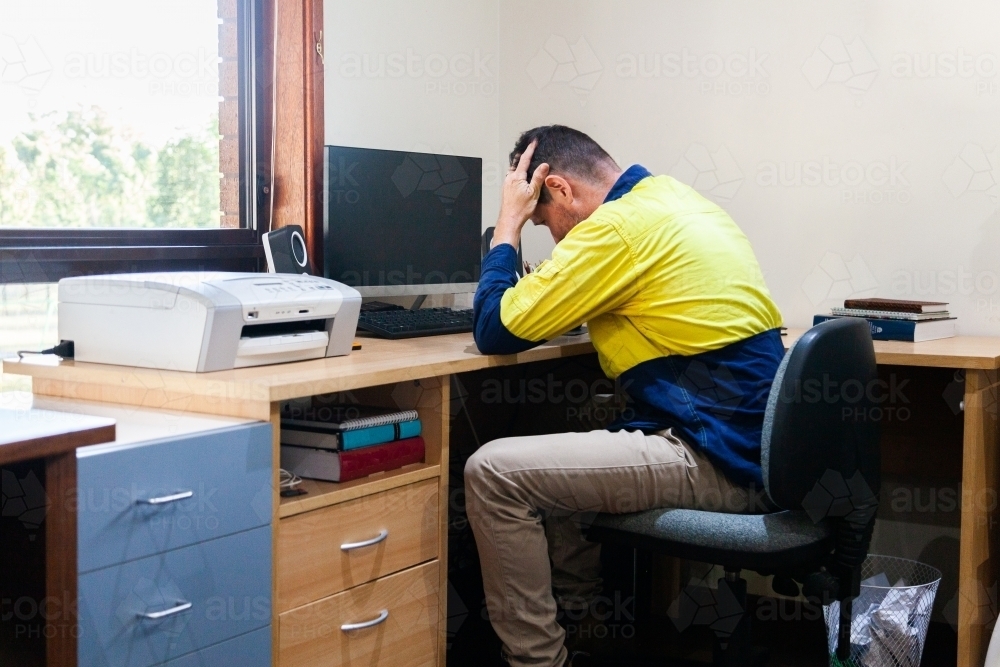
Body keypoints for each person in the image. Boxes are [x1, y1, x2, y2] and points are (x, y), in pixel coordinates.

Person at [466, 125, 785, 667]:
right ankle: (581, 625)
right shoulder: (678, 200)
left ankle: (539, 661)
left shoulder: (614, 231)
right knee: (575, 423)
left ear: (560, 189)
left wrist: (508, 224)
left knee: (491, 472)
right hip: (758, 448)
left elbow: (494, 329)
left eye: (543, 221)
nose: (556, 241)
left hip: (716, 459)